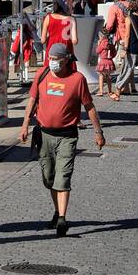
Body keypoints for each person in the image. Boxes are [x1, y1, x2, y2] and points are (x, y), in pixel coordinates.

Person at [19, 43, 104, 237]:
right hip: (44, 134)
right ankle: (58, 211)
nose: (53, 62)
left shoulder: (77, 79)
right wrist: (25, 125)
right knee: (49, 178)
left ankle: (62, 219)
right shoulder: (42, 74)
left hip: (67, 136)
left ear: (66, 60)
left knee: (63, 177)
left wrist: (98, 132)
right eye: (50, 58)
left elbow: (89, 107)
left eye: (56, 59)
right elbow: (32, 101)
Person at [102, 0, 131, 100]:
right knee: (129, 60)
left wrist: (105, 30)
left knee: (122, 62)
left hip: (122, 36)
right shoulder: (128, 4)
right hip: (131, 36)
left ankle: (122, 87)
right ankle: (129, 86)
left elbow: (109, 25)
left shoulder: (114, 7)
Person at [95, 29, 116, 99]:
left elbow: (97, 51)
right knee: (108, 76)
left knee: (101, 75)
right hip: (109, 61)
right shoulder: (110, 43)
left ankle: (101, 91)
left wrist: (98, 44)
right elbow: (114, 52)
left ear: (101, 37)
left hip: (103, 61)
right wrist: (111, 57)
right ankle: (110, 91)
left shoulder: (101, 44)